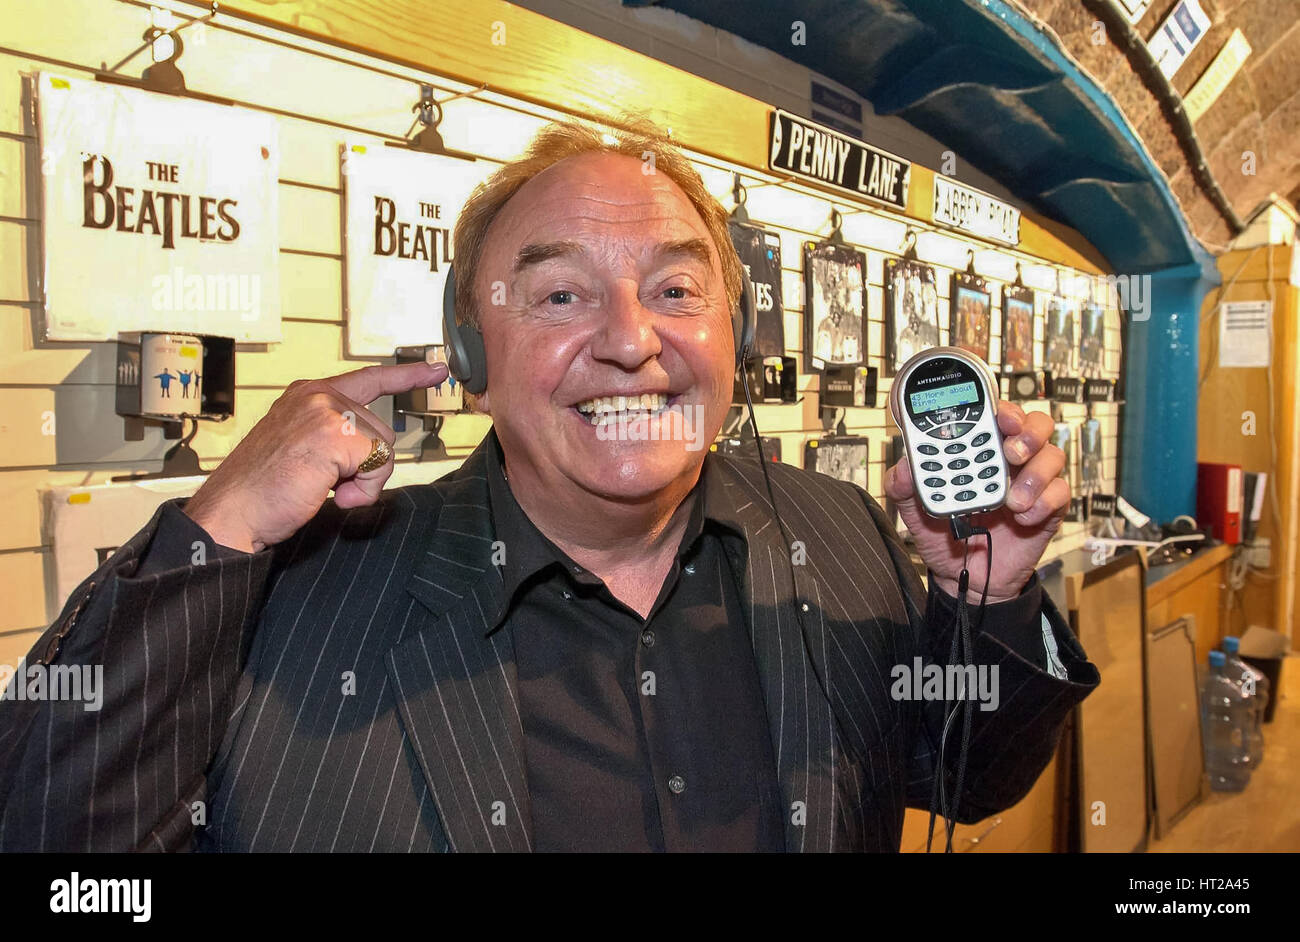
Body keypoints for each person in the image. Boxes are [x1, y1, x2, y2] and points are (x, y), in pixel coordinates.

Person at [0, 115, 1097, 852]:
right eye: (560, 296)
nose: (631, 342)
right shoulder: (304, 591)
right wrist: (219, 526)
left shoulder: (839, 528)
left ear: (737, 332)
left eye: (675, 287)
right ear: (467, 357)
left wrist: (985, 598)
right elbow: (51, 835)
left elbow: (963, 780)